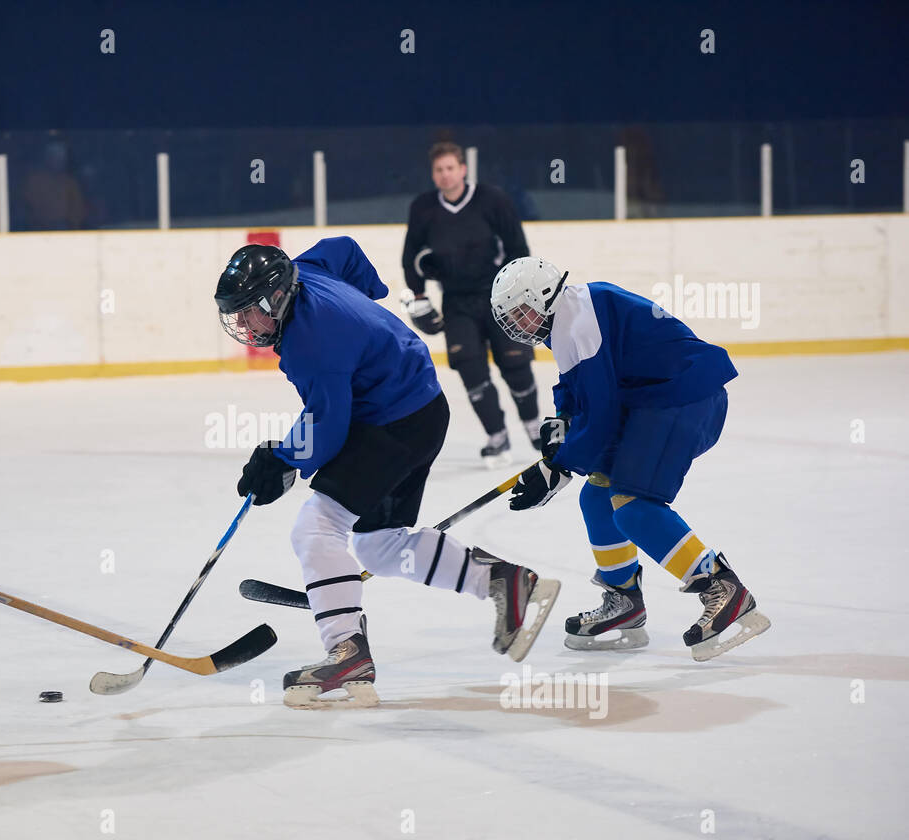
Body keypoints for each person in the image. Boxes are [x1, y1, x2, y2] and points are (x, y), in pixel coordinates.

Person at [216, 239, 559, 709]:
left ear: (275, 298)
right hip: (419, 405)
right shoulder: (305, 269)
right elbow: (345, 250)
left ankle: (347, 652)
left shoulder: (309, 342)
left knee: (316, 527)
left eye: (248, 312)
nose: (243, 324)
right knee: (378, 546)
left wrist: (281, 459)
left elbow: (328, 425)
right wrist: (365, 309)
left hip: (395, 420)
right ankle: (503, 581)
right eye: (235, 314)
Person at [491, 257, 770, 660]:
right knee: (597, 498)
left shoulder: (578, 318)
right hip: (656, 401)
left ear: (541, 296)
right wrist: (562, 424)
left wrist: (559, 464)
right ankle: (625, 601)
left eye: (522, 311)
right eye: (512, 317)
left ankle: (721, 588)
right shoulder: (571, 312)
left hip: (683, 400)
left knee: (633, 506)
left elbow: (602, 412)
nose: (518, 324)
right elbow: (579, 385)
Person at [401, 141, 542, 466]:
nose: (445, 175)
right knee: (471, 369)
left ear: (463, 169)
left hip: (500, 299)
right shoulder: (423, 208)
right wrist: (418, 297)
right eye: (439, 170)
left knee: (516, 363)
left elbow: (518, 247)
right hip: (456, 303)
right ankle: (497, 436)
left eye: (451, 168)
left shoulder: (493, 201)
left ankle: (534, 427)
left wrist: (520, 294)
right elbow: (411, 257)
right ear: (433, 174)